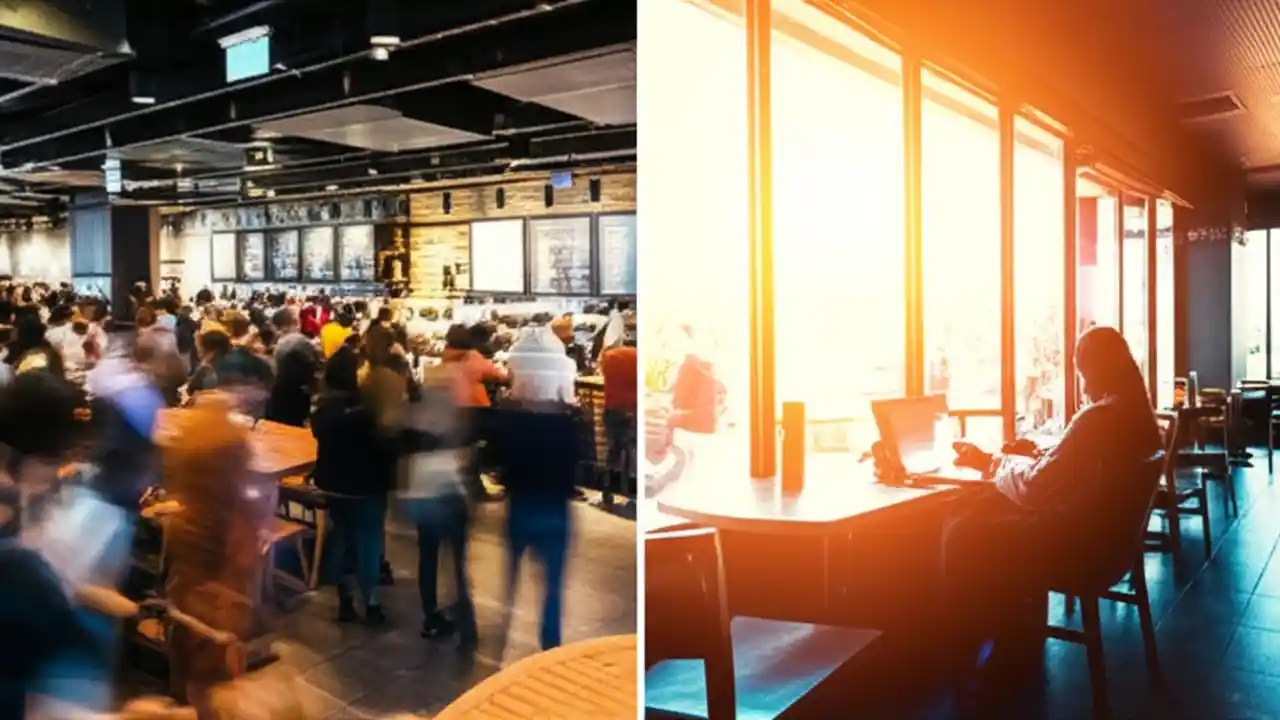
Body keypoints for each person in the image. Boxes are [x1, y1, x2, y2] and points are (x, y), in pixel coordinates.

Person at [941, 326, 1161, 664]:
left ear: (1095, 370)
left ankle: (968, 652)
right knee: (984, 516)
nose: (1082, 387)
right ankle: (1011, 641)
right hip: (1109, 551)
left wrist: (992, 463)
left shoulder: (1099, 418)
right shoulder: (1139, 418)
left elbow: (1035, 487)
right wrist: (1040, 457)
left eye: (1082, 373)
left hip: (1078, 553)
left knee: (962, 530)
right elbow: (1076, 474)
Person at [486, 370, 583, 650]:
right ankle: (550, 644)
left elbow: (499, 461)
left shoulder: (516, 425)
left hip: (522, 505)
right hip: (555, 509)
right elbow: (576, 465)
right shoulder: (566, 427)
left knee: (511, 576)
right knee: (553, 585)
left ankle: (501, 631)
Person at [312, 347, 390, 625]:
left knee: (342, 537)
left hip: (332, 483)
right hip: (366, 485)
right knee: (368, 541)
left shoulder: (323, 408)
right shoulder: (370, 410)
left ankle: (345, 599)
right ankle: (371, 602)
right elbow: (385, 446)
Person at [599, 321, 637, 500]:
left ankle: (608, 490)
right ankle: (631, 490)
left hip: (613, 408)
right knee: (634, 449)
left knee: (614, 449)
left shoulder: (609, 357)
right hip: (635, 408)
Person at [266, 308, 321, 427]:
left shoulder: (279, 343)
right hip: (298, 396)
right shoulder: (300, 341)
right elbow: (317, 364)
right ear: (295, 321)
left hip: (281, 398)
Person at [506, 325, 577, 406]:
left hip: (520, 410)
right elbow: (568, 397)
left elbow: (511, 382)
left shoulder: (514, 359)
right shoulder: (569, 363)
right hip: (555, 410)